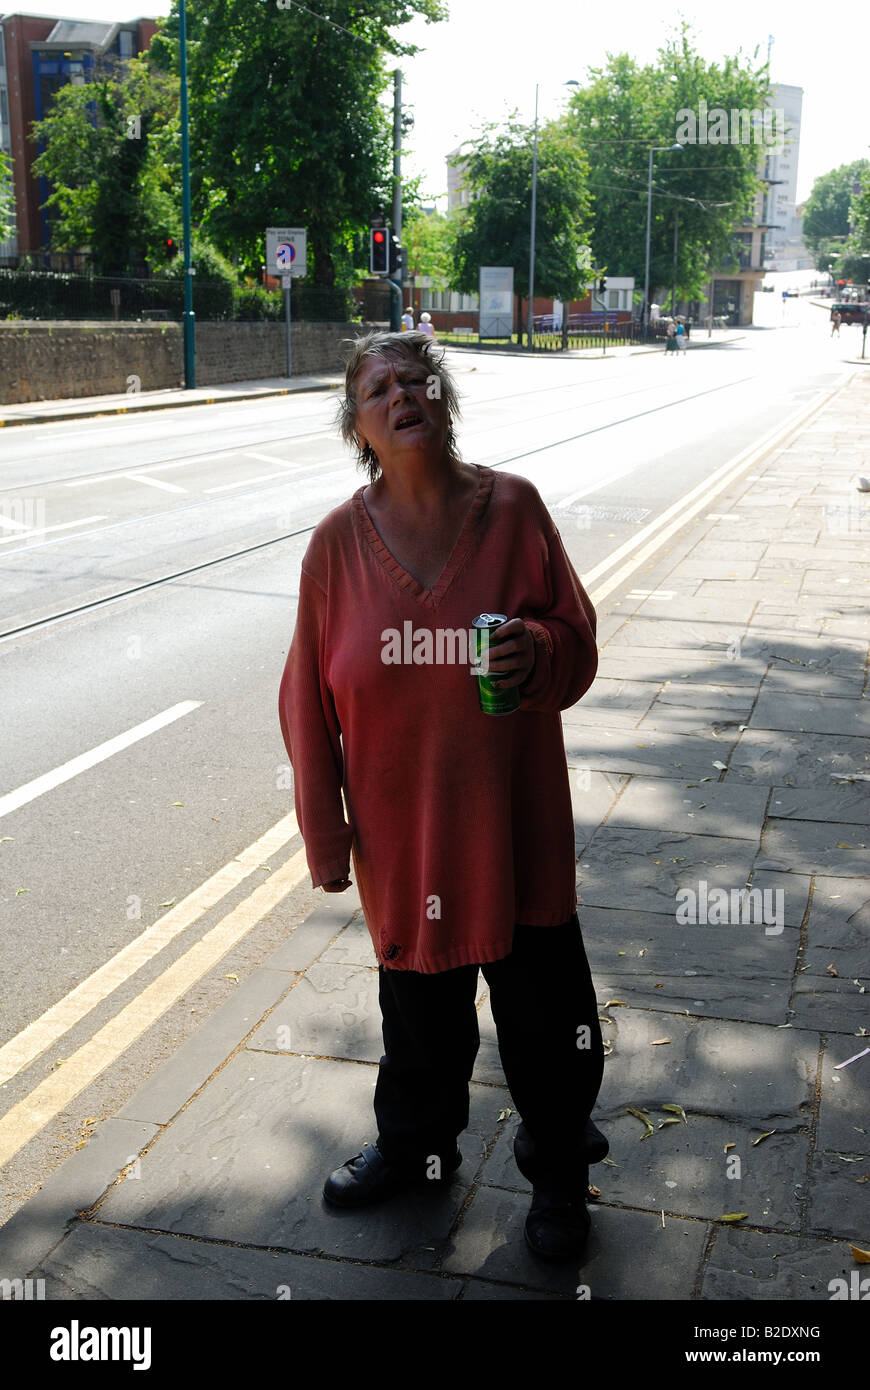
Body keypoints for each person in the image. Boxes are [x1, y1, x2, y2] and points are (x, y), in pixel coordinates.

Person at [278, 330, 605, 1262]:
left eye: (416, 378)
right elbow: (304, 693)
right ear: (359, 428)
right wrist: (324, 834)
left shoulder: (515, 510)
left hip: (517, 830)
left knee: (549, 1020)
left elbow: (577, 638)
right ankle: (415, 1148)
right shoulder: (337, 547)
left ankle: (558, 1172)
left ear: (443, 399)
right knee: (418, 1024)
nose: (401, 393)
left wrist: (536, 651)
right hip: (405, 838)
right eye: (377, 388)